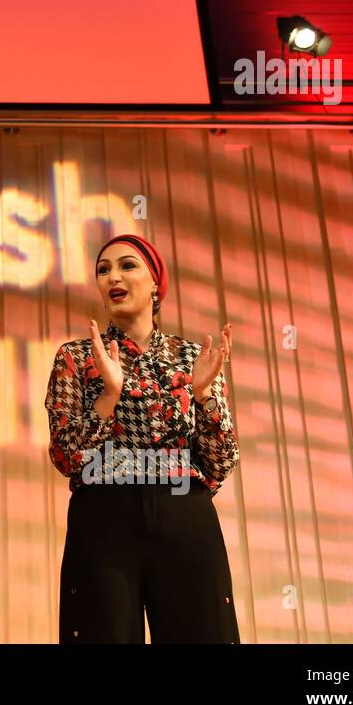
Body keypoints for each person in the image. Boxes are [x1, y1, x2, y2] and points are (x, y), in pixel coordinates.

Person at [46, 234, 240, 643]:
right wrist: (108, 398)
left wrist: (204, 397)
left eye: (127, 265)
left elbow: (220, 463)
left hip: (182, 512)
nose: (113, 276)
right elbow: (65, 456)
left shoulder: (193, 357)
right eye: (103, 270)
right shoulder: (78, 357)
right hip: (103, 515)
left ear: (156, 283)